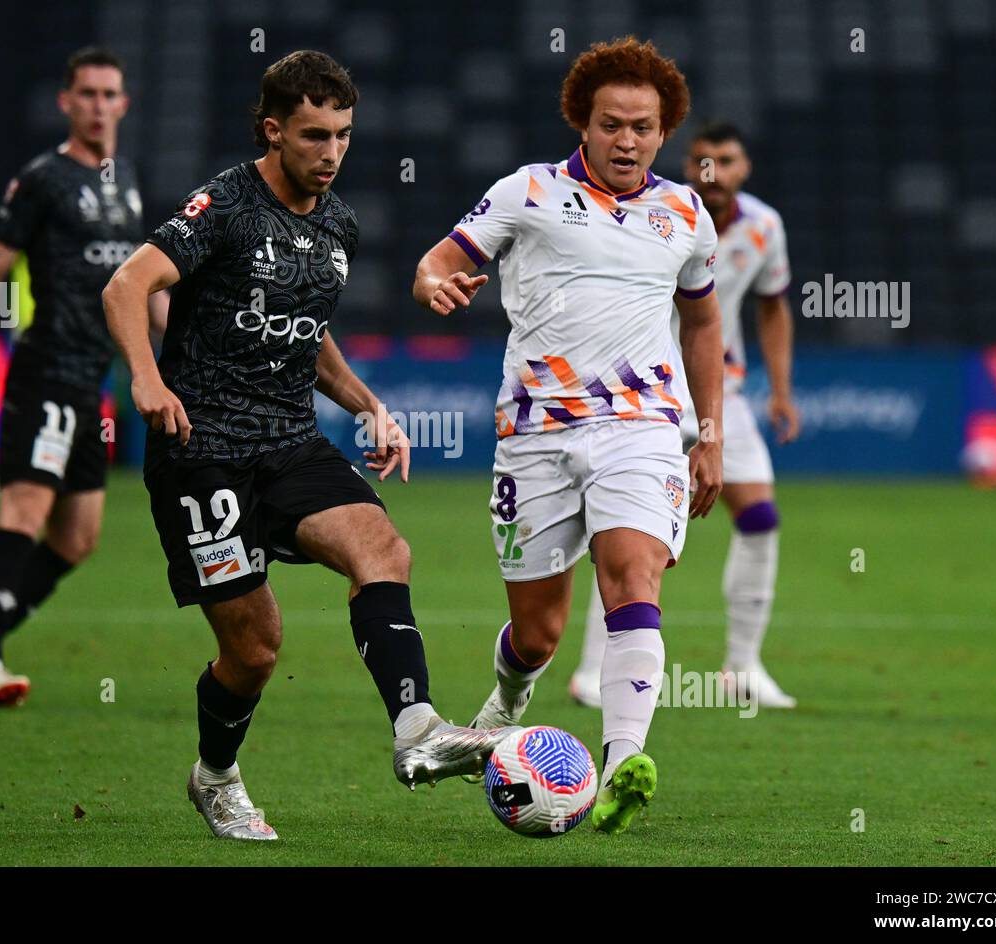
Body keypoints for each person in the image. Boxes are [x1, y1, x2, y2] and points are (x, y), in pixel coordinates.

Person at [102, 50, 515, 842]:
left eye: (345, 136)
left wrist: (368, 405)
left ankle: (417, 727)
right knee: (257, 649)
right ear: (273, 130)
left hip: (289, 441)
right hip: (203, 453)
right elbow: (127, 285)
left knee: (384, 549)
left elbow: (307, 331)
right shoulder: (225, 204)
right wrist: (148, 382)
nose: (331, 153)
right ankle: (216, 777)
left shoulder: (338, 224)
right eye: (315, 135)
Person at [412, 37, 724, 833]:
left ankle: (623, 764)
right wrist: (434, 282)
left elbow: (703, 318)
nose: (628, 140)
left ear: (665, 130)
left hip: (643, 428)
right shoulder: (529, 191)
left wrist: (708, 431)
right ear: (582, 123)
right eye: (612, 124)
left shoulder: (685, 214)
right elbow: (436, 260)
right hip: (536, 435)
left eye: (645, 127)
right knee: (539, 630)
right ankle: (501, 711)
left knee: (632, 574)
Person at [0, 47, 163, 706]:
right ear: (66, 101)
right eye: (86, 93)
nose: (99, 105)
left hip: (94, 382)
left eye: (110, 94)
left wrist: (188, 348)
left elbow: (144, 287)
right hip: (45, 372)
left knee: (78, 538)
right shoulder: (42, 180)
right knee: (23, 512)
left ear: (124, 103)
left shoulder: (126, 181)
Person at [569, 121, 800, 711]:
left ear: (743, 168)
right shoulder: (659, 216)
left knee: (760, 517)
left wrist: (780, 390)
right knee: (627, 531)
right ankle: (593, 670)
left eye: (725, 160)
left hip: (724, 392)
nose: (712, 172)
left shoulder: (764, 227)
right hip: (648, 392)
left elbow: (772, 308)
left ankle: (743, 668)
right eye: (702, 160)